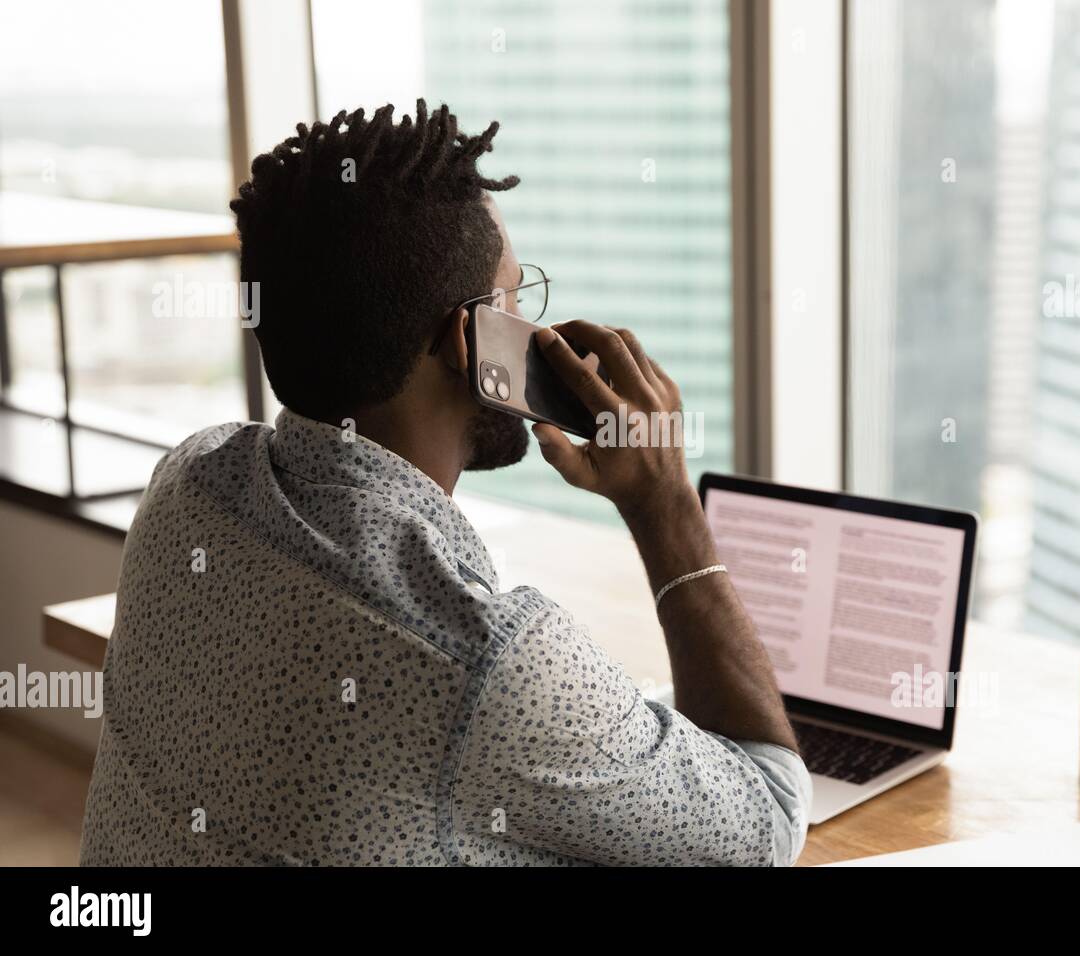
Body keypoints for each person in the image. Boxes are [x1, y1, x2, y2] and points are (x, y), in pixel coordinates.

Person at [80, 101, 810, 866]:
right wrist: (665, 505)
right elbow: (768, 817)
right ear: (471, 342)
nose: (537, 330)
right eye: (517, 299)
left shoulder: (186, 483)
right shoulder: (487, 655)